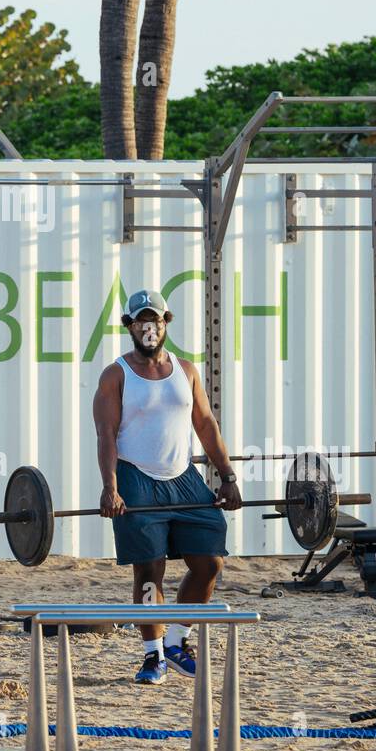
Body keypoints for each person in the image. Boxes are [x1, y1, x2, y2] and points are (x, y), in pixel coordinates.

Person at [92, 290, 240, 685]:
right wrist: (111, 487)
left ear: (165, 323)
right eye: (140, 320)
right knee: (149, 570)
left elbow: (205, 425)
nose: (148, 326)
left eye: (154, 319)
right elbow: (106, 435)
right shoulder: (115, 375)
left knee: (210, 560)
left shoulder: (186, 370)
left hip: (184, 477)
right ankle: (152, 656)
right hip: (136, 477)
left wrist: (226, 477)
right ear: (129, 326)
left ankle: (177, 641)